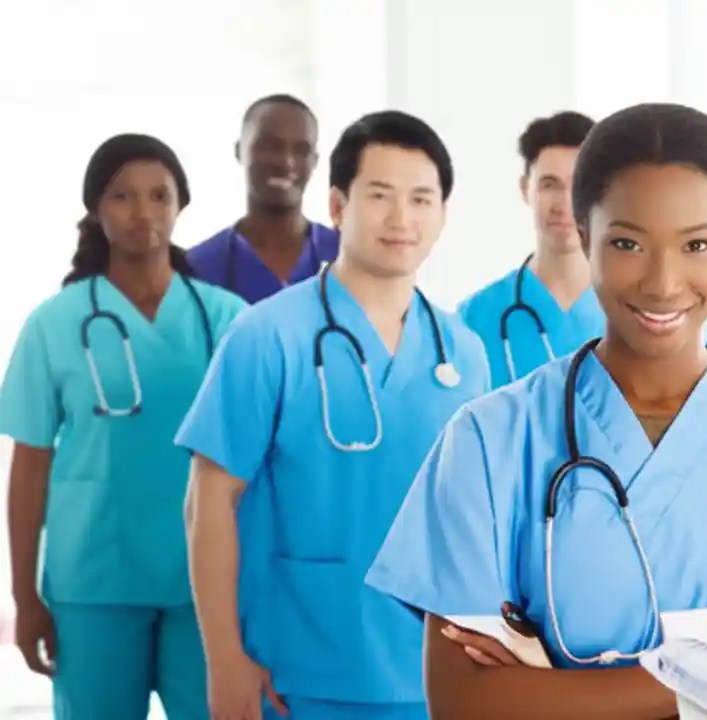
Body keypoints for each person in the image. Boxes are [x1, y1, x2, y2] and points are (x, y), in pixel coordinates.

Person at [364, 102, 707, 719]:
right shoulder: (490, 441)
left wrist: (556, 689)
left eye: (697, 244)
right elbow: (468, 704)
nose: (662, 282)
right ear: (583, 231)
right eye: (627, 242)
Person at [176, 110, 488, 719]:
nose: (402, 218)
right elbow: (208, 501)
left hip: (432, 675)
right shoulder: (267, 335)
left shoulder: (463, 353)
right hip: (295, 673)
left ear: (443, 215)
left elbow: (475, 518)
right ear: (339, 206)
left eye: (421, 198)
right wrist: (224, 659)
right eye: (381, 196)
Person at [1, 134, 246, 718]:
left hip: (203, 584)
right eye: (122, 196)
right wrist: (24, 596)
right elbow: (29, 466)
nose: (143, 211)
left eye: (159, 195)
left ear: (180, 205)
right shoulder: (55, 323)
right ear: (95, 209)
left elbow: (264, 458)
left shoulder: (227, 320)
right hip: (93, 585)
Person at [458, 111, 605, 387]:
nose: (565, 203)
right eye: (550, 185)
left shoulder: (631, 308)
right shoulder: (475, 316)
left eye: (578, 186)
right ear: (525, 188)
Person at [187, 93, 340, 303]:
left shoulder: (345, 256)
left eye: (301, 150)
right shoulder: (200, 267)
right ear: (240, 151)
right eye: (270, 146)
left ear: (314, 161)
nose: (286, 162)